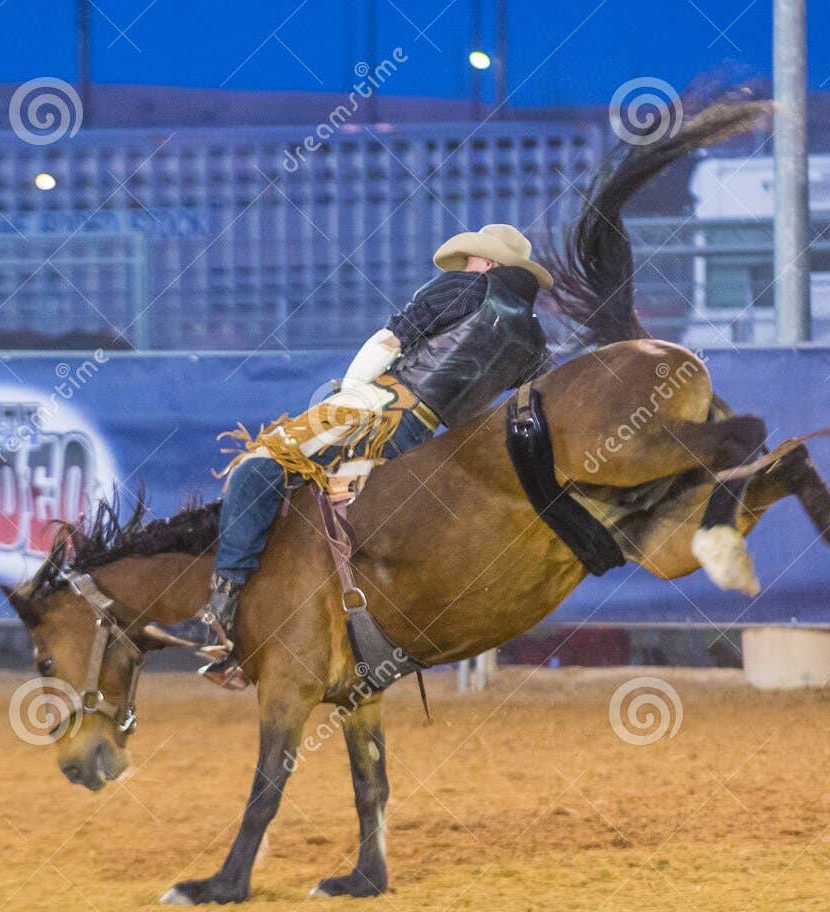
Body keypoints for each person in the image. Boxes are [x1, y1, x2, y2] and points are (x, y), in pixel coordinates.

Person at [145, 223, 554, 659]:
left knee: (258, 464)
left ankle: (220, 616)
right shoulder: (531, 338)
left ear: (489, 263)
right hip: (422, 441)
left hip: (377, 411)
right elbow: (540, 395)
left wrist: (352, 393)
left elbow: (391, 338)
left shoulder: (465, 287)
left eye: (473, 259)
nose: (468, 265)